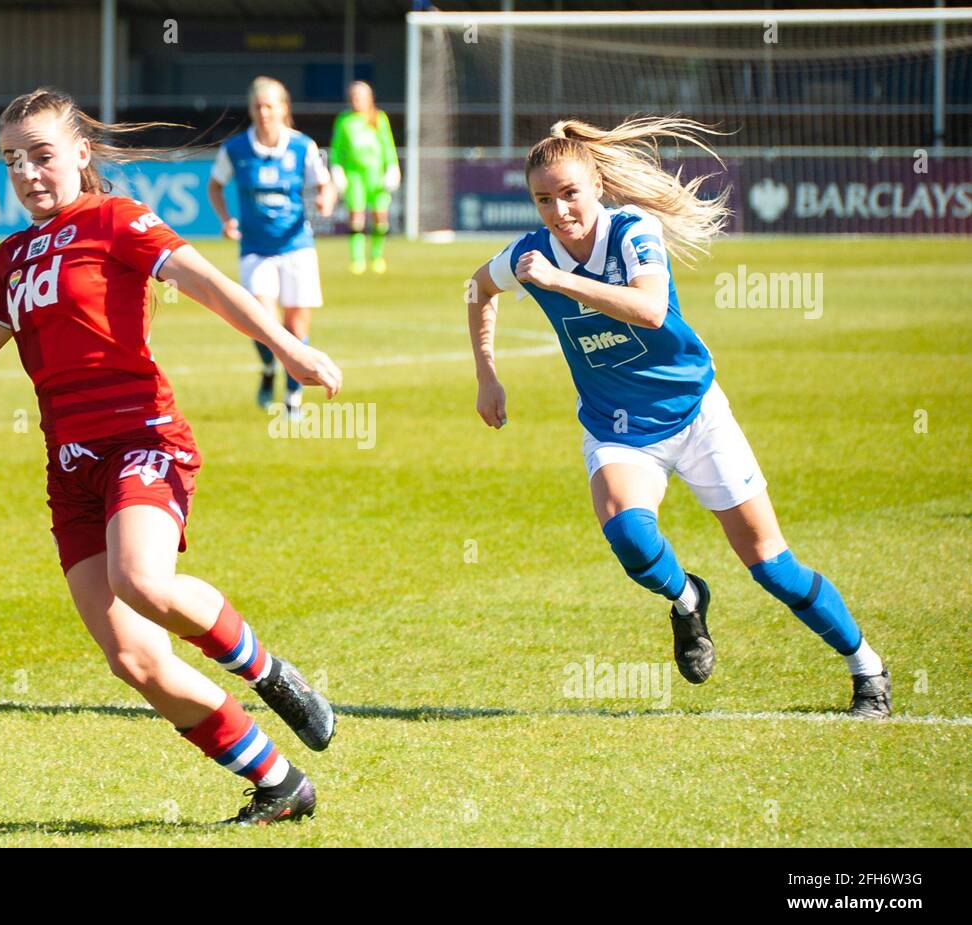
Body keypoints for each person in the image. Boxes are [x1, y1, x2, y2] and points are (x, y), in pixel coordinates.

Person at [0, 87, 344, 824]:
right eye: (12, 160)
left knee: (141, 578)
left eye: (41, 154)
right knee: (135, 660)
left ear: (79, 153)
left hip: (142, 439)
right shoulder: (12, 256)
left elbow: (206, 282)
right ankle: (278, 782)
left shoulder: (117, 219)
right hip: (70, 470)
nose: (28, 172)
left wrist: (288, 347)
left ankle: (268, 671)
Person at [467, 116, 890, 718]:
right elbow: (475, 290)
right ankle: (688, 597)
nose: (559, 210)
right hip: (619, 429)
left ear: (597, 188)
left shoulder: (632, 231)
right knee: (628, 532)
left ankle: (866, 667)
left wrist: (561, 281)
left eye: (569, 194)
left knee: (773, 567)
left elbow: (650, 308)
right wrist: (487, 374)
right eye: (543, 199)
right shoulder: (527, 255)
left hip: (696, 414)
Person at [207, 76, 336, 417]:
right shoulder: (235, 149)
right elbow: (215, 187)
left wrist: (325, 198)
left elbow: (326, 185)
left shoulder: (302, 147)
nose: (264, 113)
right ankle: (268, 370)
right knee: (264, 324)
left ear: (283, 109)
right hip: (255, 249)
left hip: (297, 247)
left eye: (270, 106)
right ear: (251, 110)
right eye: (257, 107)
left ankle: (293, 398)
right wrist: (226, 219)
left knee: (297, 328)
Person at [328, 80, 400, 275]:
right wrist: (337, 169)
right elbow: (337, 149)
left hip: (376, 175)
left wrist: (392, 167)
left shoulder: (379, 118)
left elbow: (388, 146)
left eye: (360, 97)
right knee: (356, 216)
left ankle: (377, 257)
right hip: (355, 176)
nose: (356, 101)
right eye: (353, 97)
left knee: (380, 215)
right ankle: (357, 259)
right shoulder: (344, 120)